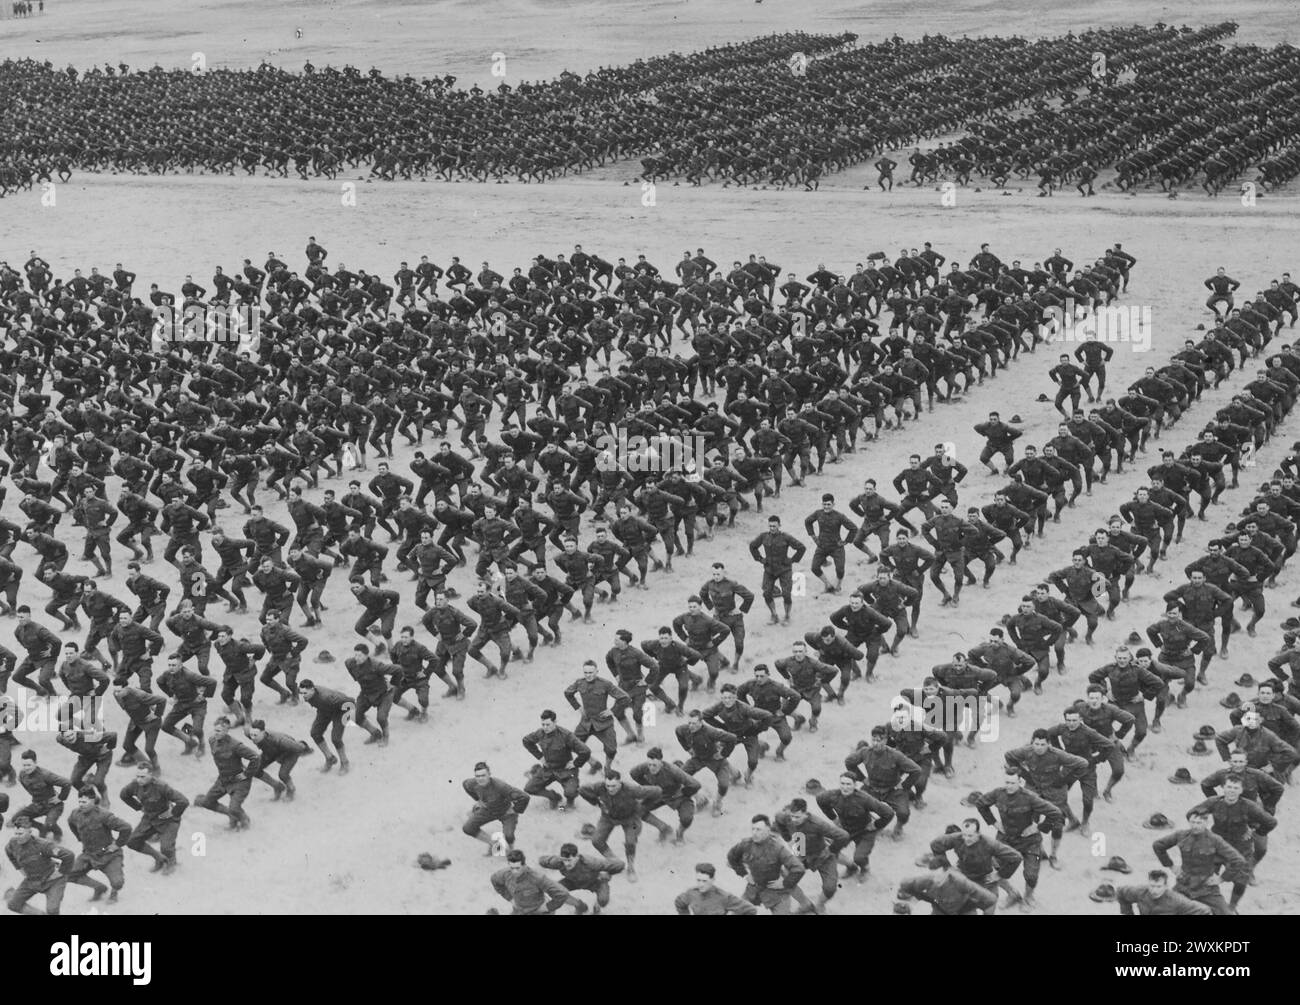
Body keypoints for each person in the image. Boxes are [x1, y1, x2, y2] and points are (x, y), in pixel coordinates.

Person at [725, 813, 806, 914]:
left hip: (776, 893)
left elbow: (799, 868)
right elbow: (731, 857)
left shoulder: (778, 848)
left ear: (767, 830)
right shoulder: (746, 844)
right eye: (753, 829)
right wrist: (745, 874)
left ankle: (806, 905)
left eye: (758, 830)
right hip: (754, 890)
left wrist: (784, 883)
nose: (754, 833)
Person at [65, 787, 132, 904]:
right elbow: (71, 823)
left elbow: (126, 828)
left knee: (117, 882)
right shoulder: (76, 814)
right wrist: (80, 838)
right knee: (69, 875)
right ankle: (99, 887)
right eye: (79, 801)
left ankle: (114, 892)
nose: (81, 805)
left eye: (84, 802)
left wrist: (117, 844)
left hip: (108, 855)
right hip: (89, 854)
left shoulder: (103, 815)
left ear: (92, 800)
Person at [119, 760, 188, 874]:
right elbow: (124, 795)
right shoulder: (135, 785)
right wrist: (138, 807)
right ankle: (159, 858)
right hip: (149, 818)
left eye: (143, 777)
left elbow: (183, 801)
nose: (139, 780)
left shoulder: (161, 786)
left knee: (166, 847)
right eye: (137, 776)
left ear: (151, 775)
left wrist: (172, 813)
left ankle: (171, 861)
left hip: (167, 821)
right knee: (132, 842)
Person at [5, 814, 74, 916]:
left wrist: (60, 872)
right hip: (32, 880)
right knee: (13, 905)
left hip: (52, 880)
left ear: (29, 831)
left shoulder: (43, 845)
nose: (17, 837)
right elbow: (9, 852)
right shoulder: (13, 843)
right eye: (15, 833)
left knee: (52, 910)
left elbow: (69, 855)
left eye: (20, 834)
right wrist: (19, 868)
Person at [489, 849, 587, 915]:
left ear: (524, 865)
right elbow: (495, 880)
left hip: (539, 911)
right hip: (520, 909)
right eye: (512, 868)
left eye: (518, 868)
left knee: (559, 894)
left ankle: (580, 905)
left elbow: (562, 894)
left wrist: (547, 907)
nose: (514, 872)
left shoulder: (536, 878)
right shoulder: (505, 874)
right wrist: (509, 898)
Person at [537, 842, 624, 914]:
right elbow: (541, 860)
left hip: (594, 881)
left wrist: (608, 874)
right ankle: (580, 906)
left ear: (577, 857)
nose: (567, 864)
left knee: (603, 900)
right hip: (572, 882)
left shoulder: (591, 862)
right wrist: (555, 859)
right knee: (556, 892)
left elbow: (619, 865)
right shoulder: (559, 862)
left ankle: (596, 908)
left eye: (569, 861)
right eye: (564, 860)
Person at [463, 760, 529, 854]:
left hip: (505, 811)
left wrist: (514, 810)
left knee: (509, 836)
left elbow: (524, 797)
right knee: (468, 828)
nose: (480, 779)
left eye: (483, 775)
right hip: (487, 810)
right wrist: (478, 800)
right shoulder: (472, 783)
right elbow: (465, 785)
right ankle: (494, 843)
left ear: (489, 774)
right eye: (477, 776)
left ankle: (510, 853)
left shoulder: (500, 786)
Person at [1116, 869, 1212, 915]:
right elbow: (1120, 892)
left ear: (1166, 886)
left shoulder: (1176, 900)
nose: (1154, 890)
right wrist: (1128, 913)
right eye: (1152, 886)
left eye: (1159, 887)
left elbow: (1204, 911)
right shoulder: (1140, 892)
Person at [673, 862, 757, 915]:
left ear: (712, 880)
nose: (701, 884)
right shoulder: (691, 893)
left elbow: (750, 910)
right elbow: (679, 902)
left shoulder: (724, 897)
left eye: (704, 881)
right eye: (698, 880)